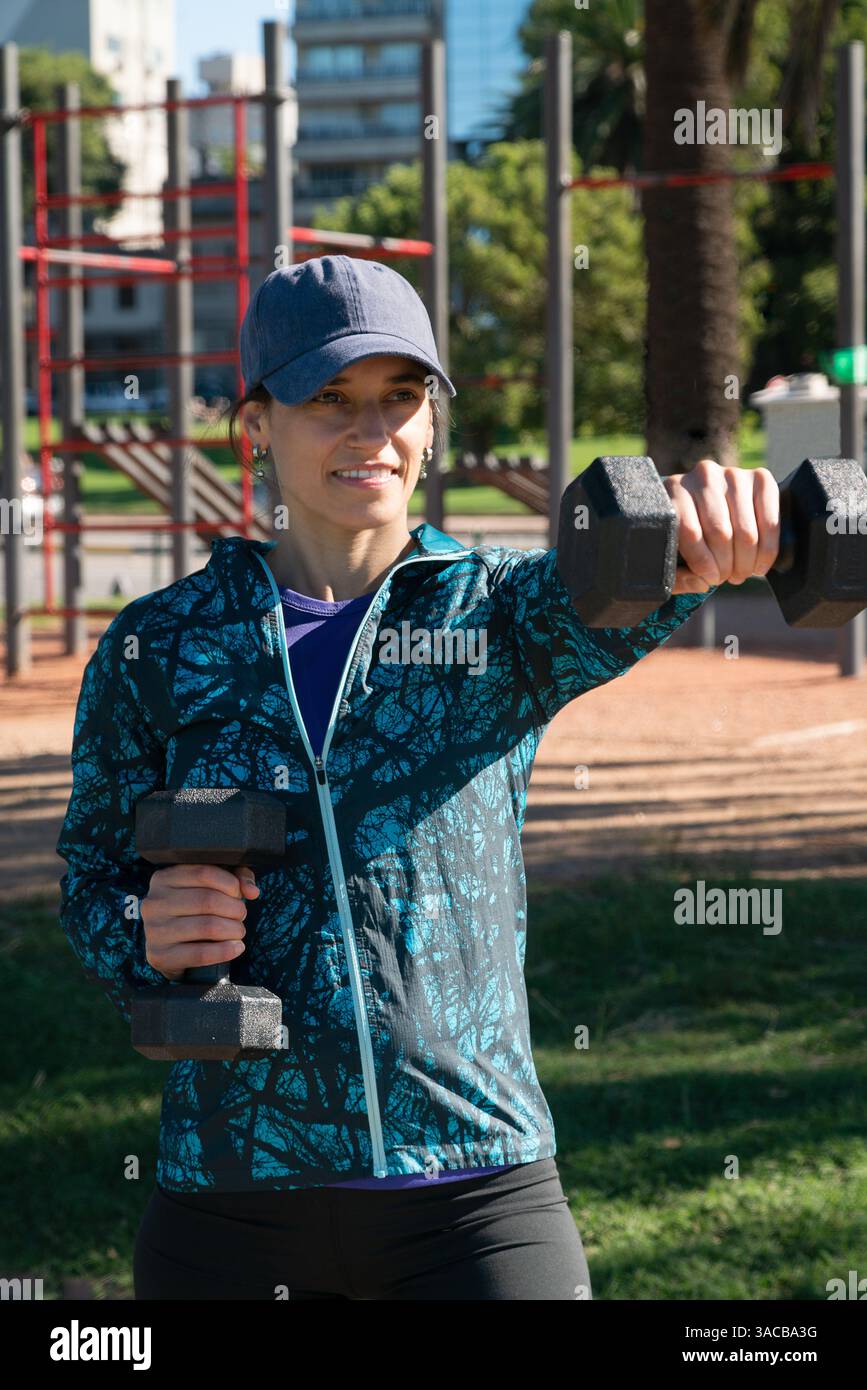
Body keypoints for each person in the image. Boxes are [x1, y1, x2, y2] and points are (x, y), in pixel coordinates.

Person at [56, 254, 781, 1300]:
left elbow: (639, 572)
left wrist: (717, 526)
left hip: (475, 1199)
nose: (371, 431)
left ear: (433, 421)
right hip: (230, 1199)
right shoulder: (158, 645)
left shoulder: (495, 620)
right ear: (254, 422)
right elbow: (91, 874)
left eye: (400, 398)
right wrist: (142, 927)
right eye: (328, 400)